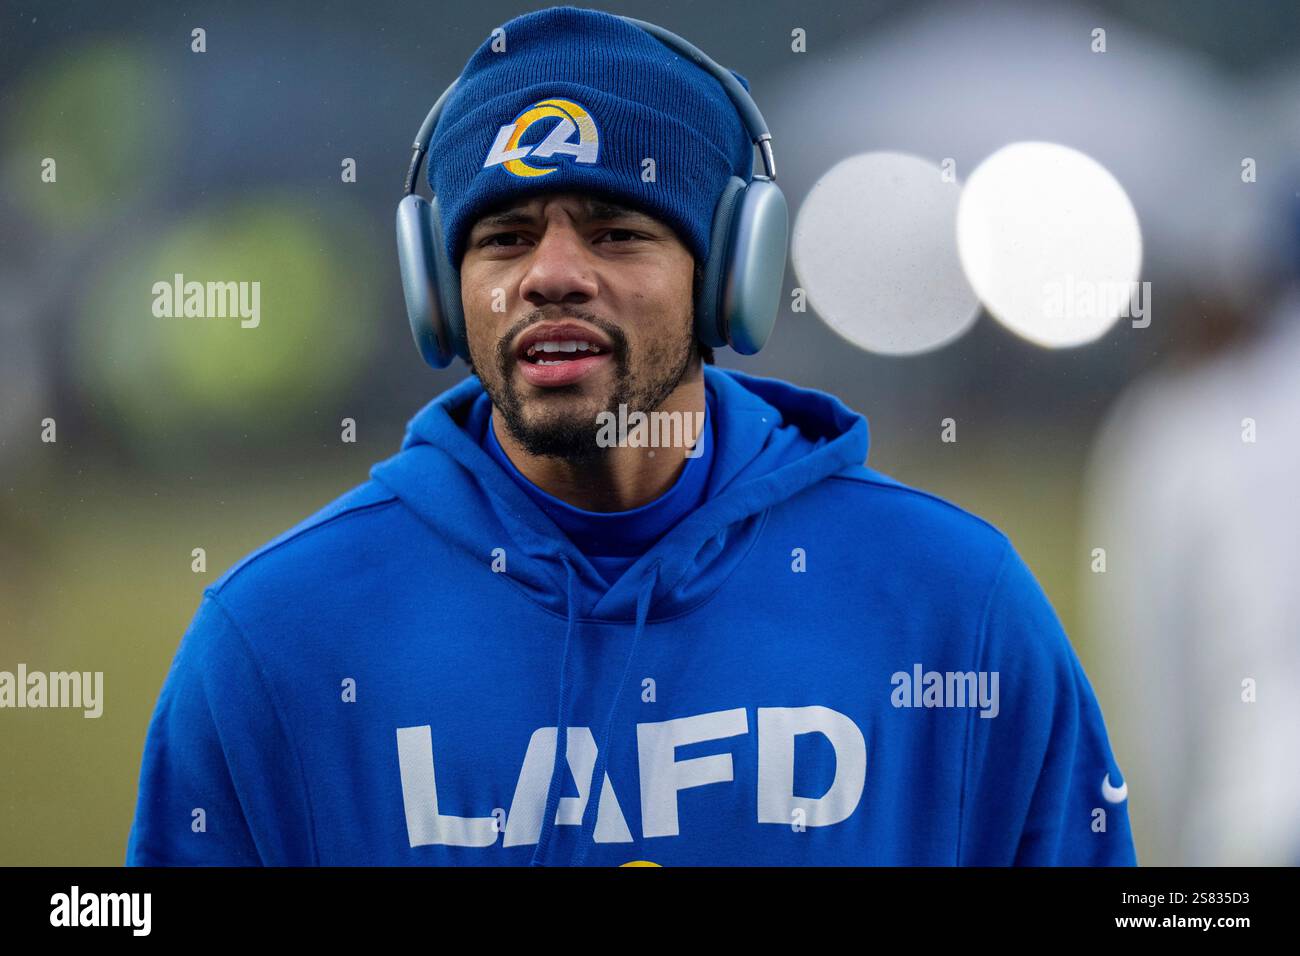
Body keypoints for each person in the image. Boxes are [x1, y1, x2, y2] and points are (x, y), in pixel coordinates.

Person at [125, 5, 1135, 866]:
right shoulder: (279, 640)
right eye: (505, 235)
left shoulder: (951, 603)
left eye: (615, 229)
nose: (551, 273)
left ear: (729, 273)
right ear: (438, 291)